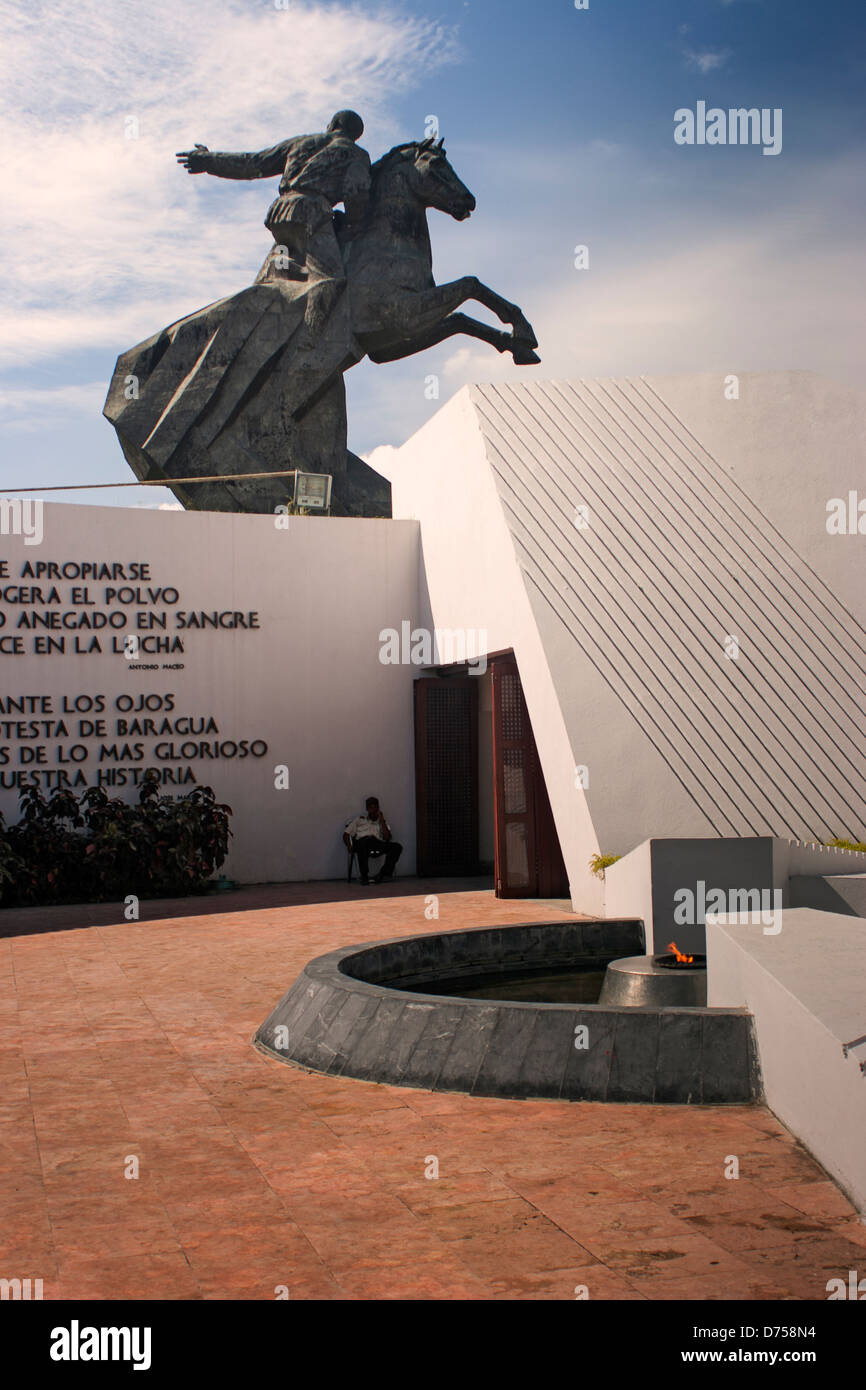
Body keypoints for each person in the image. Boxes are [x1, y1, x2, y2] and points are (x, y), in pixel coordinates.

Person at [176, 110, 371, 283]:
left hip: (281, 219)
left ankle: (280, 268)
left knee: (280, 274)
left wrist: (209, 160)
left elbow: (254, 163)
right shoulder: (356, 155)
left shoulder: (300, 142)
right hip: (311, 219)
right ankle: (315, 321)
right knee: (329, 282)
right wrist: (353, 224)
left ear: (334, 125)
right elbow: (355, 192)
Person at [343, 796, 402, 885]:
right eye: (371, 808)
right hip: (362, 843)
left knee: (397, 847)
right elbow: (346, 834)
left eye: (375, 808)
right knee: (364, 842)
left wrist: (381, 820)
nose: (373, 810)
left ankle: (382, 874)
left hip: (377, 843)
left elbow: (387, 838)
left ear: (378, 809)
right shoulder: (360, 820)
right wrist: (349, 846)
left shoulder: (382, 822)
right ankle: (364, 876)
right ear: (367, 809)